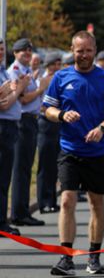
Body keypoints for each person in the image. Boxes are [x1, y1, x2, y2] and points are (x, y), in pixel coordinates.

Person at [43, 31, 104, 276]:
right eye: (80, 50)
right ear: (72, 50)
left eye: (89, 50)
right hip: (69, 149)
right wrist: (61, 115)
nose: (84, 55)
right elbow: (47, 108)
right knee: (66, 200)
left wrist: (102, 128)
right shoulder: (61, 76)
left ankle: (94, 256)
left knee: (96, 204)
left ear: (95, 50)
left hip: (97, 151)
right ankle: (66, 257)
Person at [10, 38, 50, 227]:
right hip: (23, 121)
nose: (26, 53)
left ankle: (23, 210)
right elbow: (24, 99)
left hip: (31, 121)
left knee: (26, 169)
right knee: (21, 169)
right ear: (15, 53)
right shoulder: (15, 72)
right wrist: (41, 89)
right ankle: (19, 212)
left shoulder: (27, 71)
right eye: (22, 51)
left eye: (28, 51)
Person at [0, 38, 27, 237]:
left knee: (5, 178)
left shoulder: (3, 71)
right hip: (3, 126)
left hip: (10, 126)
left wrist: (12, 91)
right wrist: (18, 88)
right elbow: (4, 104)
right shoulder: (10, 72)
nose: (1, 53)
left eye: (2, 50)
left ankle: (2, 220)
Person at [36, 52, 63, 214]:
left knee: (54, 166)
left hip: (56, 124)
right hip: (45, 123)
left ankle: (51, 200)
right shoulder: (43, 80)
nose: (57, 67)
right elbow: (42, 105)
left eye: (59, 64)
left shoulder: (57, 80)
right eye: (55, 64)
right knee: (45, 166)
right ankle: (43, 201)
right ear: (48, 65)